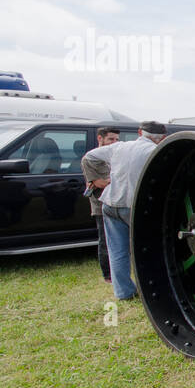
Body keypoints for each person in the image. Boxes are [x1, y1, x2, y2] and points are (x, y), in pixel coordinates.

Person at [83, 121, 167, 300]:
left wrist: (96, 179)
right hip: (134, 206)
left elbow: (88, 157)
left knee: (117, 250)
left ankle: (123, 292)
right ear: (162, 139)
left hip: (111, 203)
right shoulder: (154, 152)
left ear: (139, 132)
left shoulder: (119, 147)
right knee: (144, 248)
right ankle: (150, 289)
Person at [81, 126, 120, 282]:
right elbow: (99, 183)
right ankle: (108, 275)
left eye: (117, 139)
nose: (114, 142)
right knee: (105, 241)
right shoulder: (90, 159)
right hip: (100, 204)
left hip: (116, 202)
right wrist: (117, 180)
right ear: (100, 138)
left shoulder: (114, 156)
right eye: (110, 139)